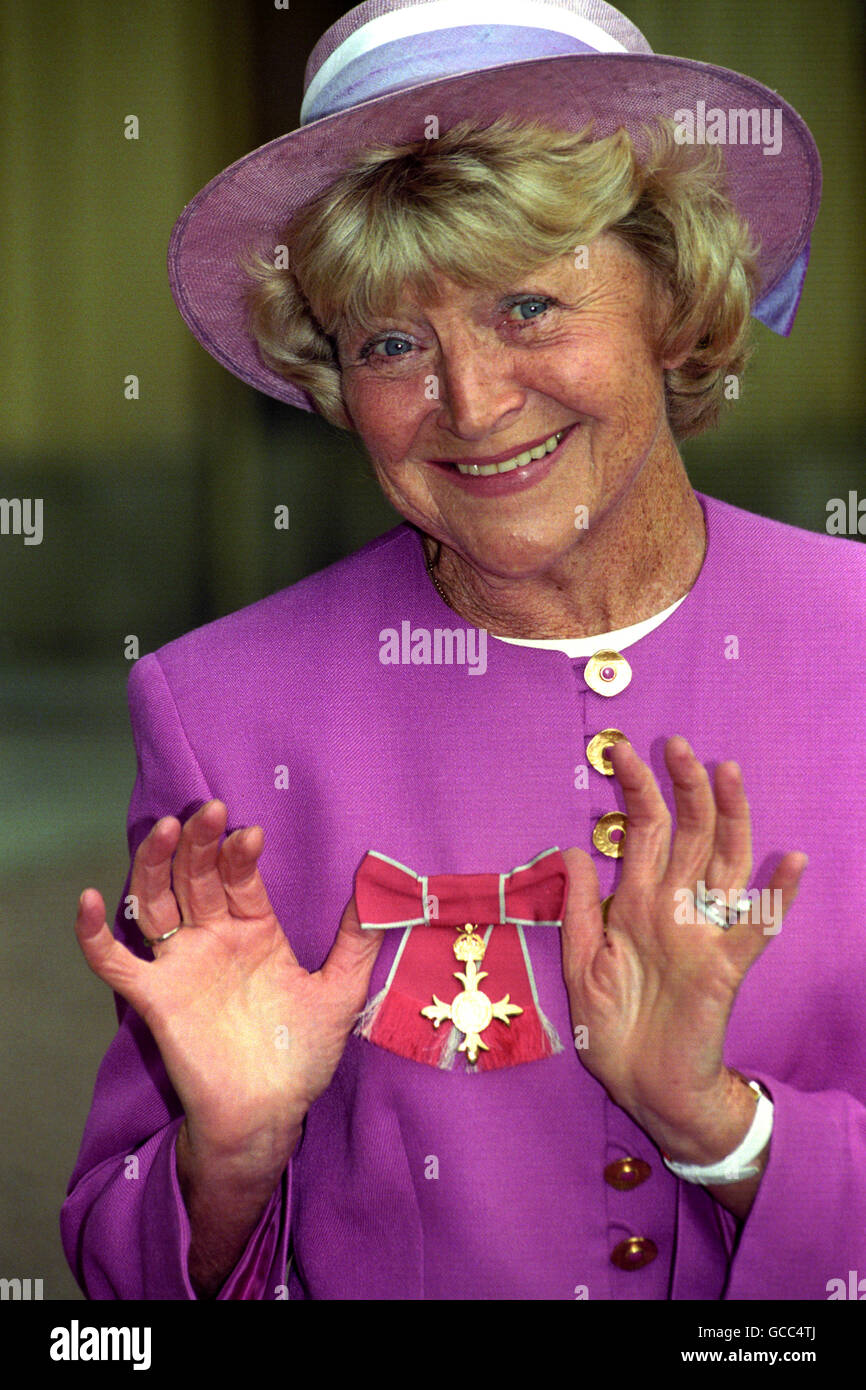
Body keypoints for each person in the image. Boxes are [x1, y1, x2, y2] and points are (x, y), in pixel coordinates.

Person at [62, 0, 866, 1301]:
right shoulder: (222, 710)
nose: (474, 406)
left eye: (528, 308)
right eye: (392, 343)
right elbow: (124, 1291)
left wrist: (732, 1138)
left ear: (673, 304)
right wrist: (231, 1158)